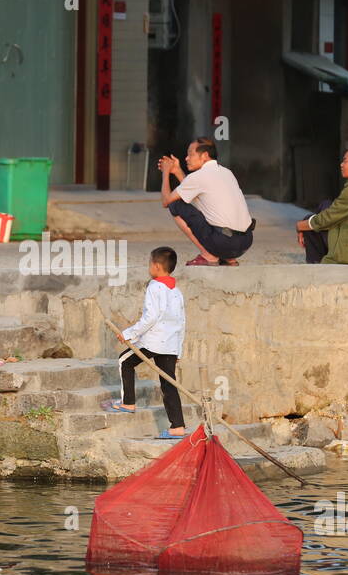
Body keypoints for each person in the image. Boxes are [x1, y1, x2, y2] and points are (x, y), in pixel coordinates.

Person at [103, 246, 187, 439]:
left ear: (156, 266)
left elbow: (151, 317)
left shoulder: (155, 286)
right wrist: (178, 351)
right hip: (170, 345)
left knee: (124, 361)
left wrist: (129, 333)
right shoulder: (177, 291)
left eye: (150, 263)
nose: (149, 267)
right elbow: (182, 322)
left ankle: (128, 403)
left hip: (154, 342)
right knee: (169, 383)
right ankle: (177, 426)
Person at [157, 137, 256, 266]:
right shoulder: (227, 172)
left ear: (204, 155)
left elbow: (166, 201)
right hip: (245, 242)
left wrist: (165, 173)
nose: (186, 158)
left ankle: (208, 255)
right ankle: (228, 259)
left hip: (224, 243)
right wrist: (177, 171)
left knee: (175, 205)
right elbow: (193, 189)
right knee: (208, 212)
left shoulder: (198, 177)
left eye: (190, 154)